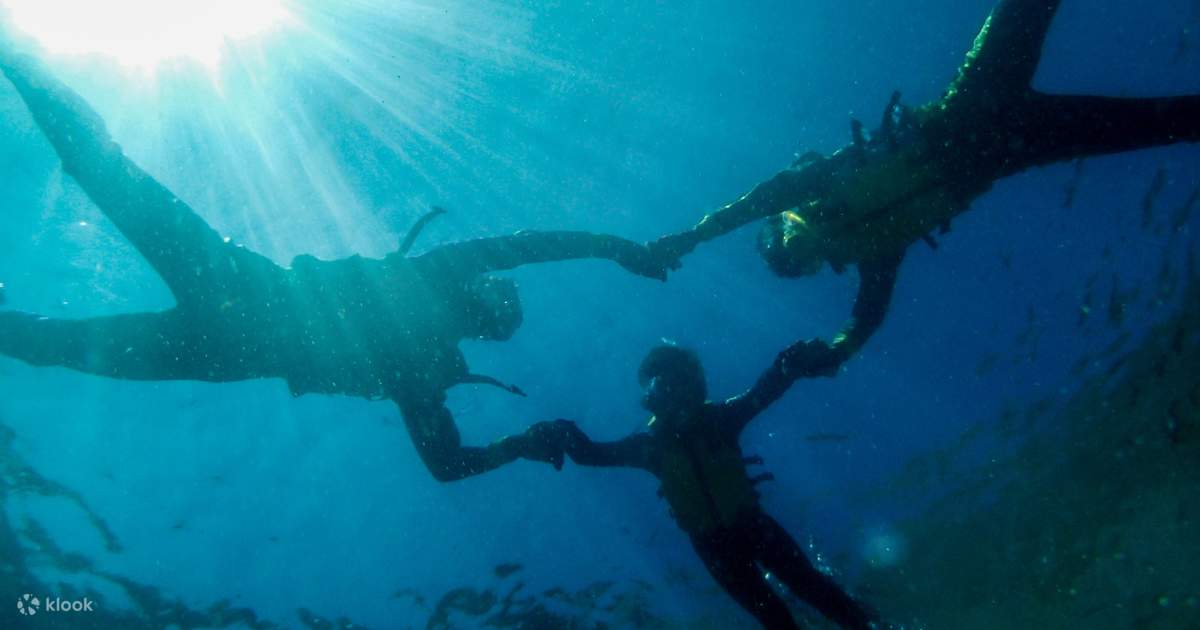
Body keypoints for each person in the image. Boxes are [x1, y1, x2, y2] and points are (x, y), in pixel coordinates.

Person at [0, 44, 667, 483]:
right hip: (237, 343)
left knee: (105, 177)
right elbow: (450, 464)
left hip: (244, 299)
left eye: (496, 292)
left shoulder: (429, 329)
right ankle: (20, 61)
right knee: (63, 331)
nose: (491, 284)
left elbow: (529, 246)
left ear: (484, 304)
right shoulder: (427, 365)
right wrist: (518, 446)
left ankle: (20, 61)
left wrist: (615, 247)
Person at [649, 0, 1200, 284]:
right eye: (802, 264)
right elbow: (867, 314)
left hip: (974, 113)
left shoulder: (821, 189)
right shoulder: (869, 250)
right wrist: (843, 345)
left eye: (790, 247)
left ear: (787, 226)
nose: (804, 253)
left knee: (1148, 121)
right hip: (1001, 145)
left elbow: (759, 200)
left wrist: (691, 237)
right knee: (1157, 124)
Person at [550, 339, 877, 629]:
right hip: (720, 546)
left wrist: (786, 364)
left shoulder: (715, 422)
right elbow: (591, 454)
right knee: (779, 616)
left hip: (747, 530)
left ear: (695, 386)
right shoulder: (654, 446)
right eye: (666, 386)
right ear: (653, 397)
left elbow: (766, 389)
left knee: (816, 591)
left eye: (681, 382)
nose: (677, 395)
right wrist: (562, 431)